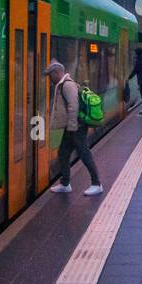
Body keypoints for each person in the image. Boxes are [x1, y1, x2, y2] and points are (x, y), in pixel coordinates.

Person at [45, 60, 102, 196]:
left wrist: (72, 127)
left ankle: (97, 184)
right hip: (71, 127)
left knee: (84, 154)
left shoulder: (67, 85)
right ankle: (65, 184)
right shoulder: (62, 85)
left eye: (50, 74)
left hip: (76, 127)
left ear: (57, 72)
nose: (49, 78)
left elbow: (73, 106)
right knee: (63, 154)